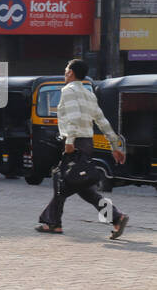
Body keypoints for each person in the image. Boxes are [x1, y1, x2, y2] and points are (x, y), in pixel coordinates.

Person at [36, 59, 129, 238]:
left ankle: (53, 223)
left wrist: (69, 141)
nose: (65, 73)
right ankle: (116, 218)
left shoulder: (68, 91)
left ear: (71, 73)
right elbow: (102, 121)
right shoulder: (88, 93)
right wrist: (114, 145)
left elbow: (74, 117)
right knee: (83, 187)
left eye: (66, 70)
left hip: (75, 143)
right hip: (86, 143)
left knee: (63, 182)